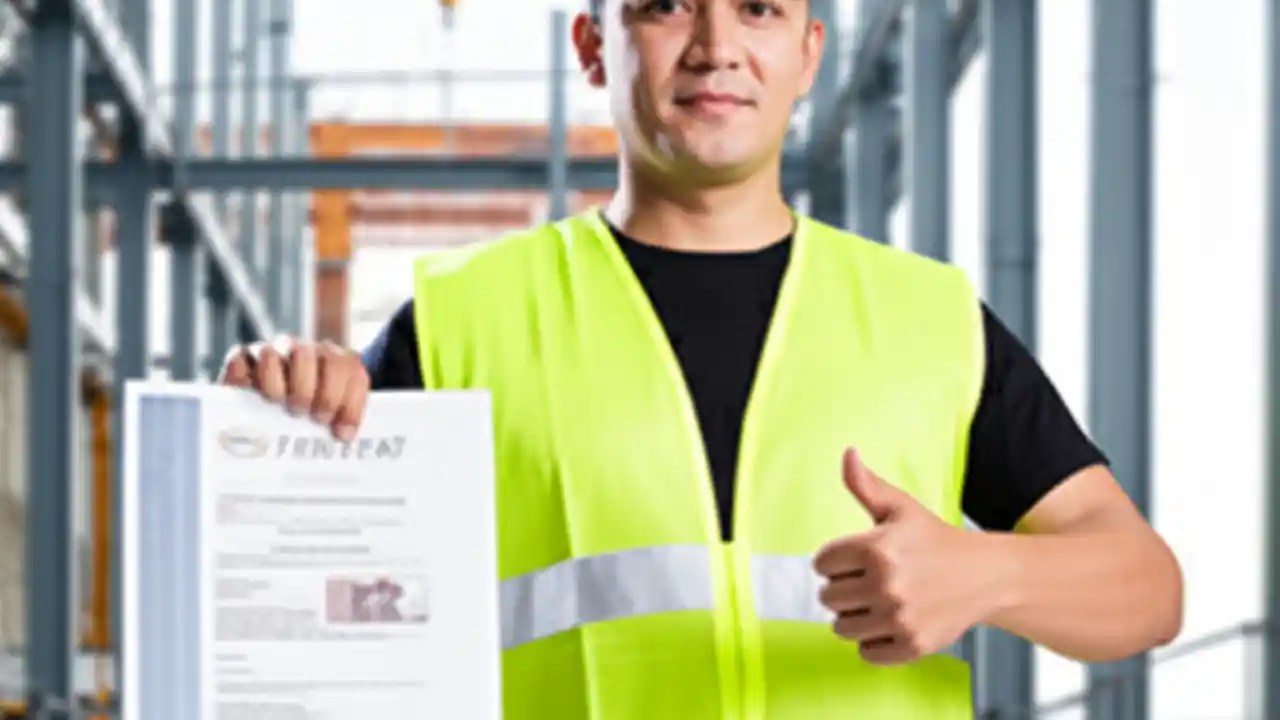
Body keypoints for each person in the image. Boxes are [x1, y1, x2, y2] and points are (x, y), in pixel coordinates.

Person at [220, 0, 1184, 717]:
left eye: (758, 9)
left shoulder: (929, 320)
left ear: (808, 53)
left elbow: (1147, 587)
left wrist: (987, 573)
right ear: (593, 46)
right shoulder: (458, 321)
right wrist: (279, 415)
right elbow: (296, 615)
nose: (716, 45)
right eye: (666, 6)